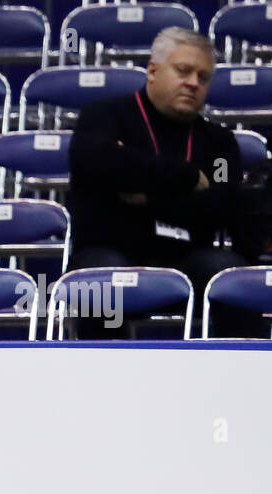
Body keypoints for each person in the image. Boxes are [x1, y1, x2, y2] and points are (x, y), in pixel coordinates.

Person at [67, 27, 257, 338]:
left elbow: (222, 203)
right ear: (153, 71)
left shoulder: (219, 144)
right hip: (110, 246)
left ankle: (239, 372)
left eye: (203, 77)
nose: (194, 83)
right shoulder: (101, 117)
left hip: (186, 255)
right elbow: (99, 162)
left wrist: (149, 196)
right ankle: (103, 374)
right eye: (183, 71)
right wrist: (189, 177)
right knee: (100, 280)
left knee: (230, 275)